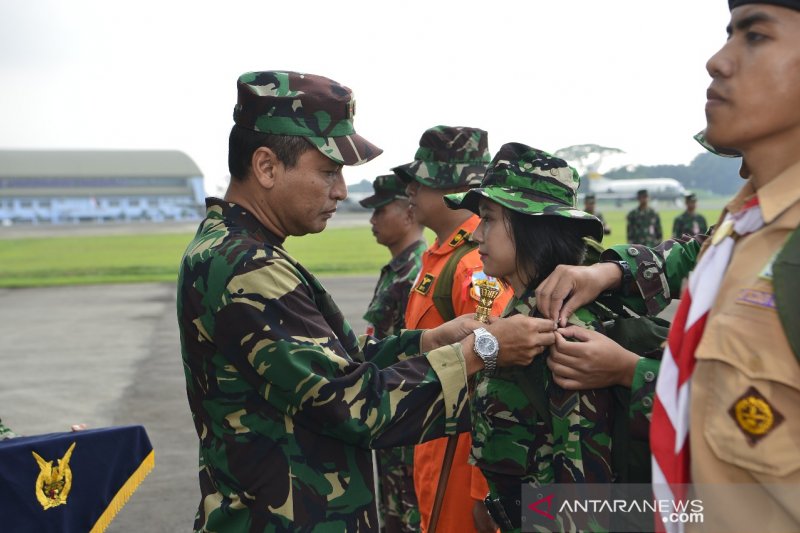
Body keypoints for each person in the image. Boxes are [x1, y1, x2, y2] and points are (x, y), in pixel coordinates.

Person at [176, 71, 553, 532]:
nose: (340, 191)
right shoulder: (246, 267)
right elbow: (352, 405)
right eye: (328, 171)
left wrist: (425, 342)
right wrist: (484, 351)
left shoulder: (234, 251)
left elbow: (331, 364)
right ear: (267, 166)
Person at [535, 2, 800, 528]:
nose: (717, 61)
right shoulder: (742, 228)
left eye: (756, 36)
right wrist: (607, 271)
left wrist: (629, 372)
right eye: (729, 34)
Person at [444, 142, 661, 532]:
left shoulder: (560, 329)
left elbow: (582, 492)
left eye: (490, 219)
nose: (477, 235)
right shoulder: (520, 319)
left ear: (531, 226)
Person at [394, 125, 513, 532]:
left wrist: (484, 487)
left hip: (461, 458)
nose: (409, 189)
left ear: (457, 187)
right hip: (436, 443)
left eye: (420, 180)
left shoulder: (473, 266)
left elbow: (496, 371)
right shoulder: (442, 257)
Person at [359, 173, 427, 532]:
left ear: (408, 213)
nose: (372, 221)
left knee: (409, 516)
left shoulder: (416, 272)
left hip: (407, 420)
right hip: (391, 415)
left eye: (380, 211)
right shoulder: (399, 269)